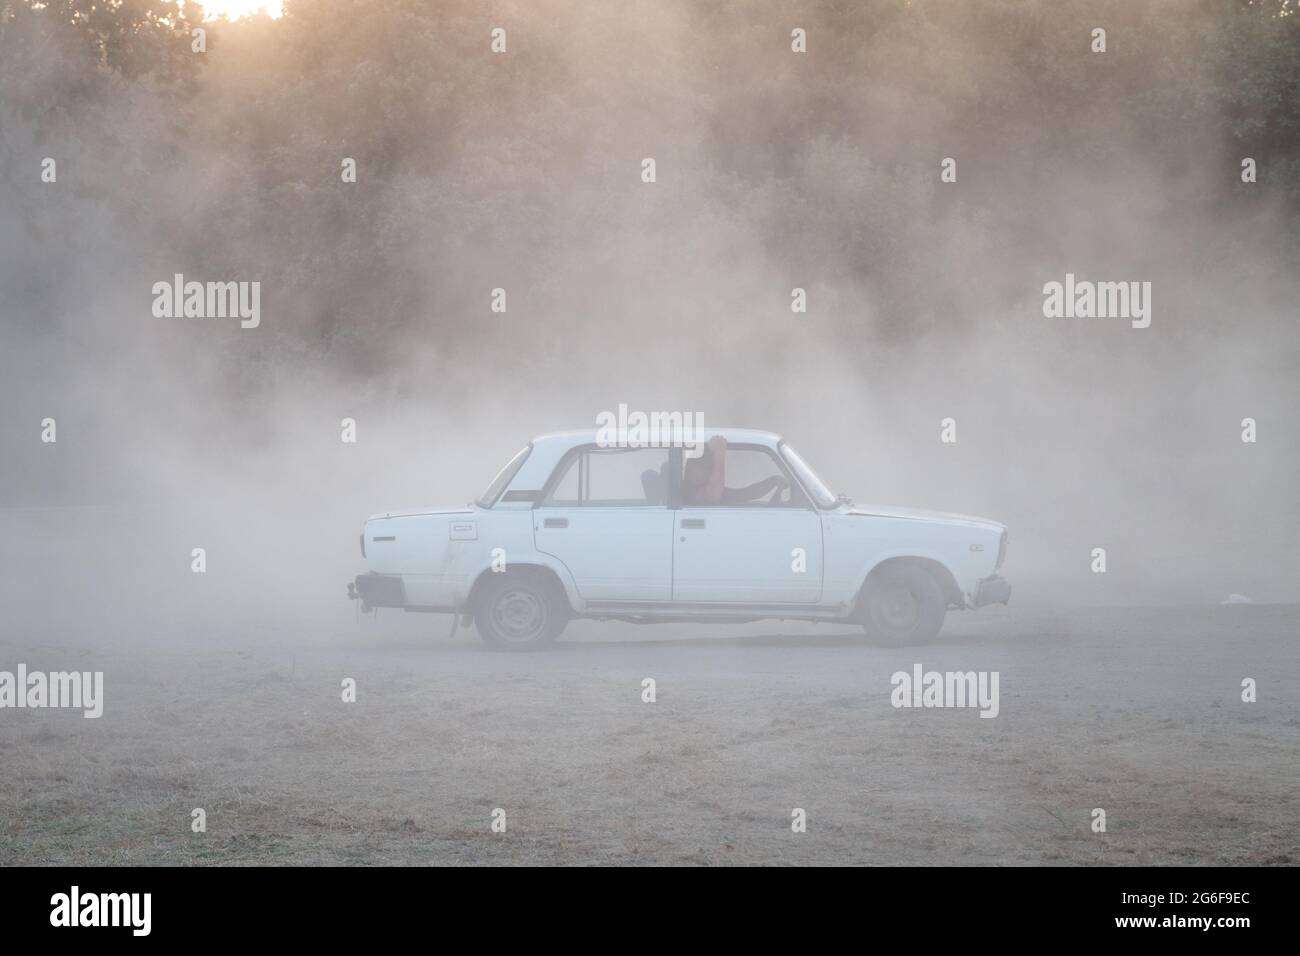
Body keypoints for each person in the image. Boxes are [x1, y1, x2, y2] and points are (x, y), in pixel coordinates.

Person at [681, 435, 789, 505]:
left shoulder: (701, 486)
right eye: (703, 466)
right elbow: (713, 495)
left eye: (709, 467)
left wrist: (773, 481)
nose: (709, 471)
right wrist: (719, 452)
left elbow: (745, 494)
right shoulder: (689, 492)